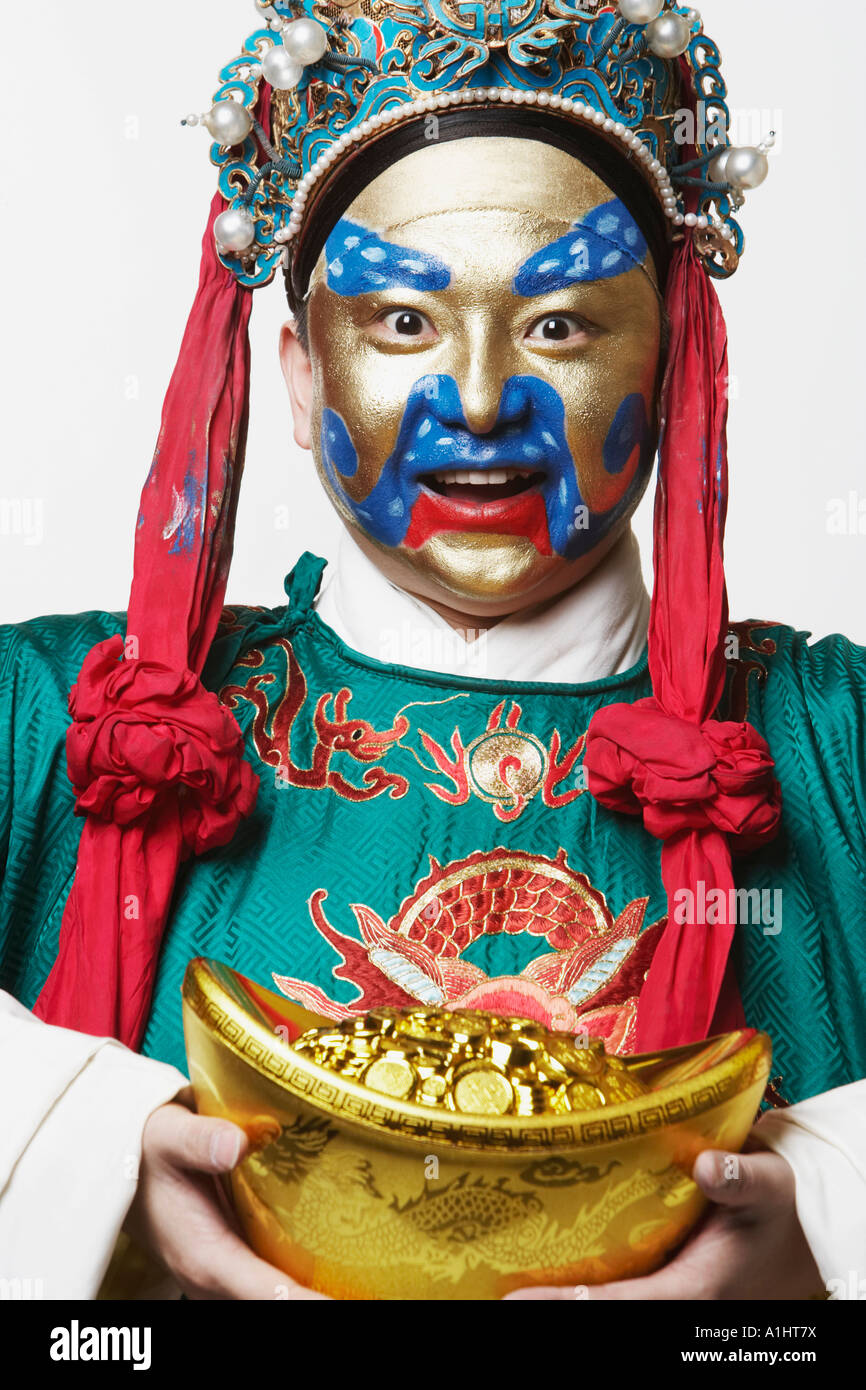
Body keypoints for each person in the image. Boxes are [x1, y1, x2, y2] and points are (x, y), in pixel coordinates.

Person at [1, 0, 864, 1300]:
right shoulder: (57, 724)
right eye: (402, 323)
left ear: (675, 358)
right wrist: (91, 1153)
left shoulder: (831, 741)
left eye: (560, 325)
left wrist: (820, 1233)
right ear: (298, 376)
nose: (474, 401)